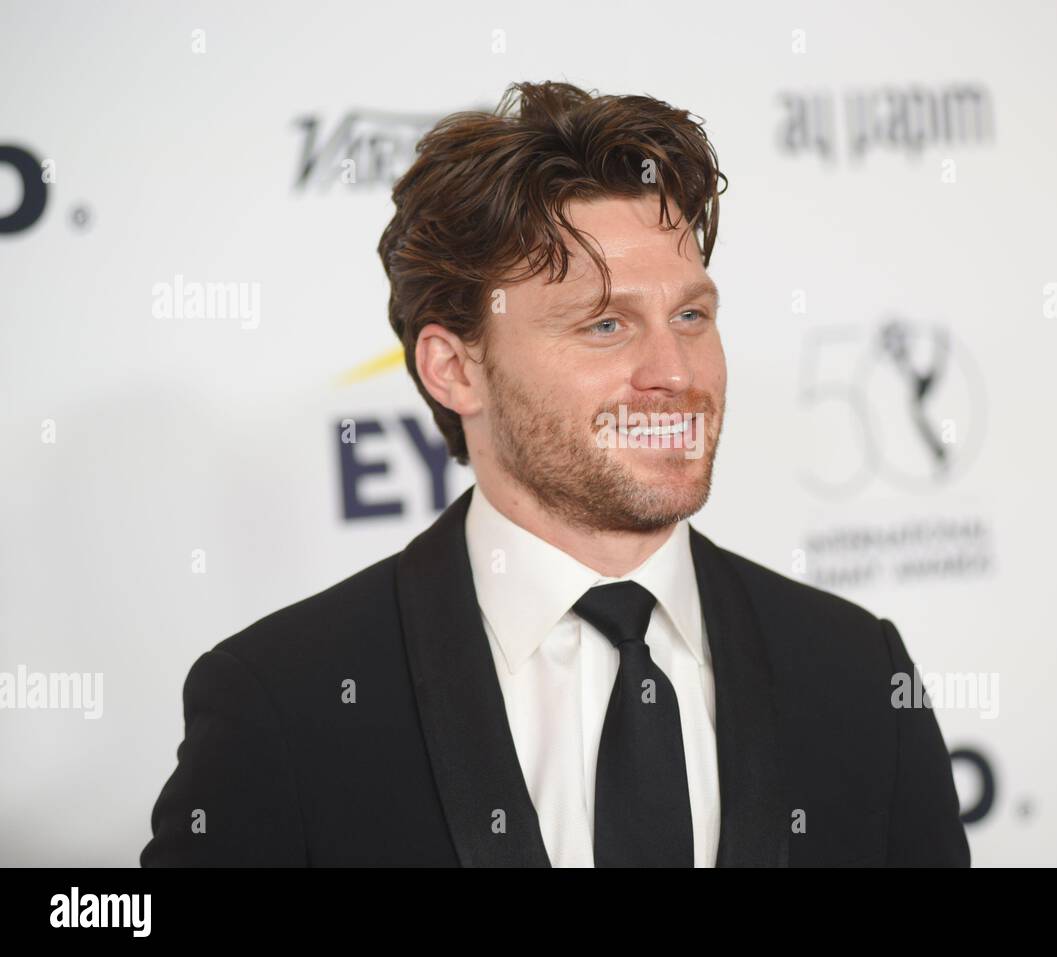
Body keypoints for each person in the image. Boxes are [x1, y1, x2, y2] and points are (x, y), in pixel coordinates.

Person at [141, 80, 970, 867]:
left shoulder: (858, 673)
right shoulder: (287, 704)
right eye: (606, 323)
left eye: (691, 314)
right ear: (454, 369)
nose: (674, 371)